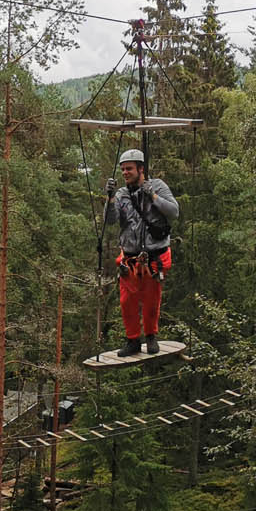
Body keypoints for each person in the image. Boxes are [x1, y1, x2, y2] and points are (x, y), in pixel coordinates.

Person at [104, 148, 179, 356]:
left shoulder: (158, 187)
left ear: (141, 168)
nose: (125, 173)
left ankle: (151, 336)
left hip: (154, 257)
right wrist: (109, 198)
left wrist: (152, 196)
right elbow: (110, 220)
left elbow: (174, 212)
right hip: (130, 259)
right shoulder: (122, 194)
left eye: (129, 169)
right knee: (127, 301)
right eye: (123, 170)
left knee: (151, 300)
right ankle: (133, 340)